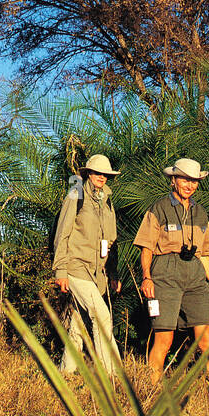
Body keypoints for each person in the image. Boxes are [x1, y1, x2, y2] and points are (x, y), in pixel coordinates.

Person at [134, 157, 209, 395]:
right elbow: (147, 247)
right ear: (173, 180)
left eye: (194, 181)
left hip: (195, 276)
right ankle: (152, 391)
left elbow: (204, 253)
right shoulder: (159, 208)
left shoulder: (201, 213)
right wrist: (147, 277)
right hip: (165, 274)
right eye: (185, 179)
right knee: (164, 337)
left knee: (206, 337)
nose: (189, 184)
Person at [53, 153, 122, 378]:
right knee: (101, 316)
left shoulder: (107, 201)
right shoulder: (76, 194)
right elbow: (62, 233)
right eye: (97, 173)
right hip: (75, 266)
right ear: (88, 174)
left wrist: (113, 273)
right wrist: (61, 270)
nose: (101, 177)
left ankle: (67, 371)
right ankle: (113, 374)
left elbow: (111, 241)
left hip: (97, 272)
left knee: (78, 321)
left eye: (105, 174)